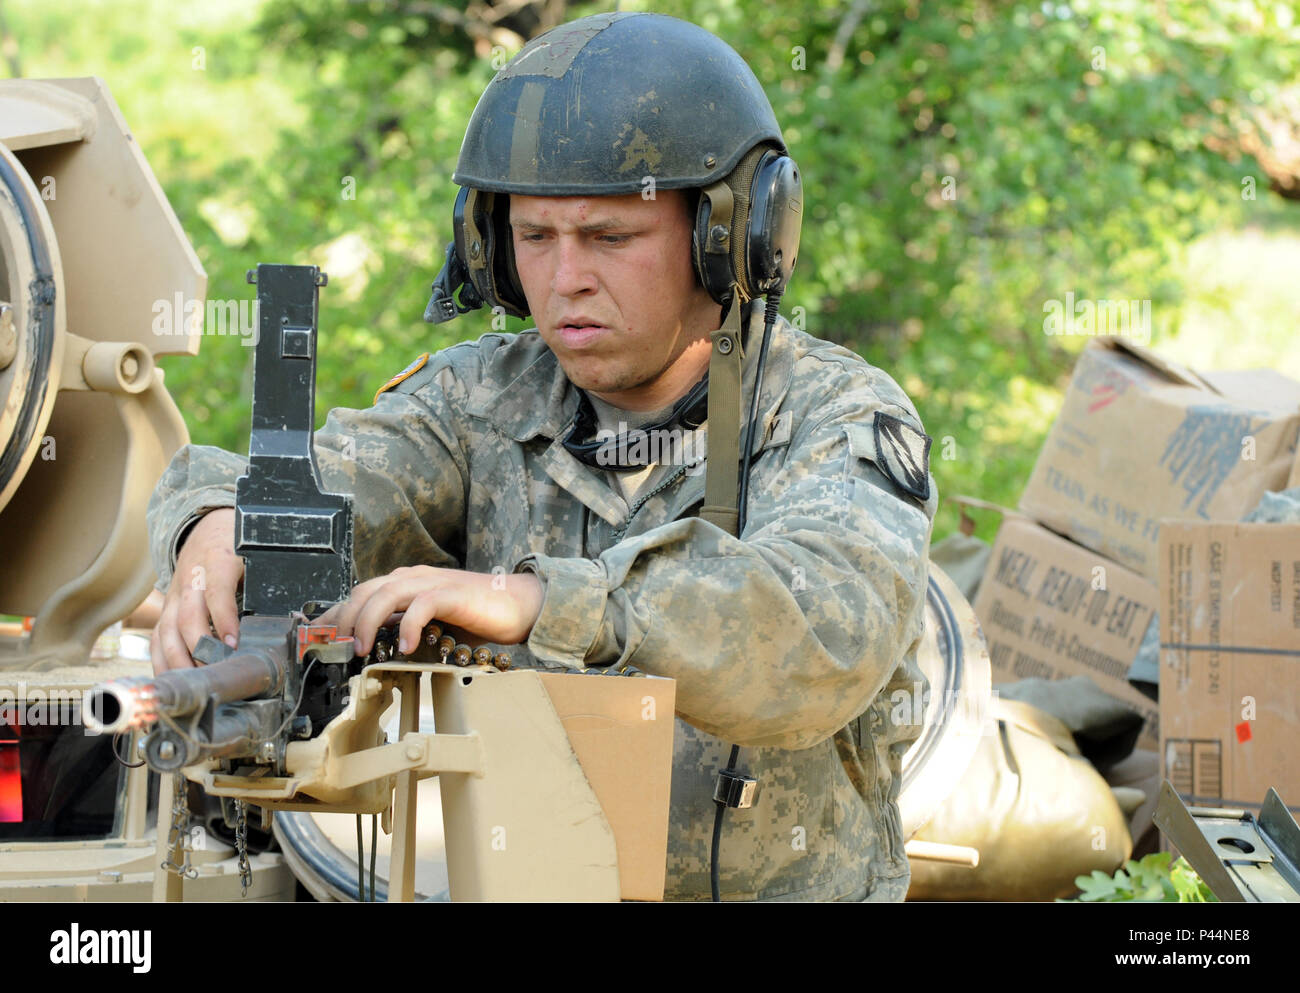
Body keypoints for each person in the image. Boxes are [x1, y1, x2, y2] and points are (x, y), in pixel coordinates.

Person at [146, 11, 937, 902]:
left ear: (728, 238)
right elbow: (329, 477)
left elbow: (822, 630)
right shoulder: (481, 396)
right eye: (534, 238)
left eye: (609, 237)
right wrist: (218, 529)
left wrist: (538, 602)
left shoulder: (834, 414)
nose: (565, 280)